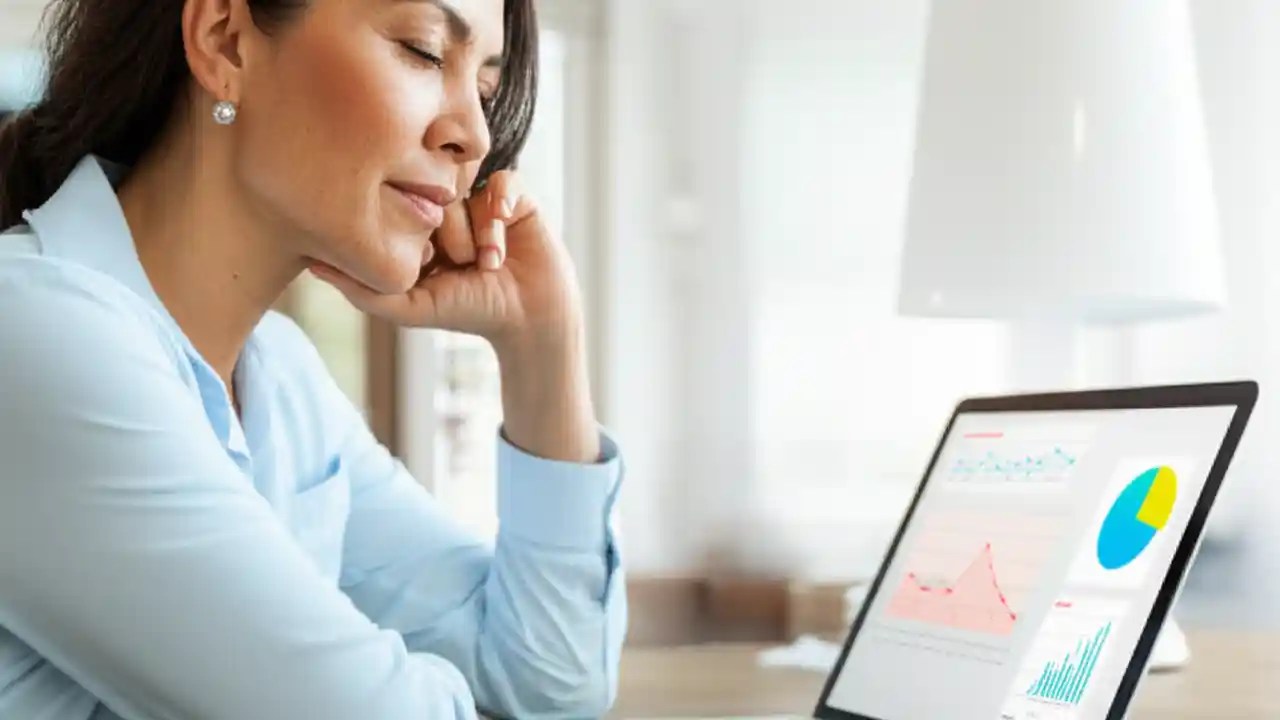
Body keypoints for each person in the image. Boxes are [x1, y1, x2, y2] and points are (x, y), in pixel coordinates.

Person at [0, 0, 625, 717]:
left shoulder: (282, 381)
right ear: (225, 42)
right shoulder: (32, 333)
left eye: (485, 89)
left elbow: (546, 684)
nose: (475, 136)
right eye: (423, 52)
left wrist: (542, 343)